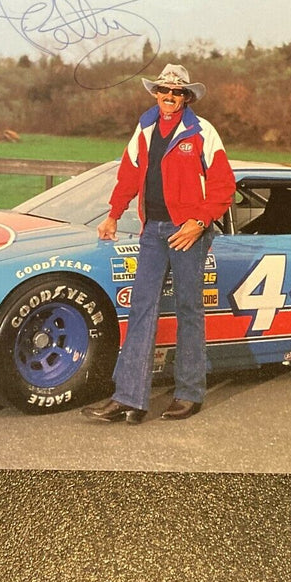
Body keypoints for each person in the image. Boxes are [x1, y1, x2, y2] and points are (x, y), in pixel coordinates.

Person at [82, 64, 235, 424]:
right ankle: (129, 398)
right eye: (164, 91)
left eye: (177, 92)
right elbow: (129, 173)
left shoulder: (202, 131)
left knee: (188, 310)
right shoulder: (145, 126)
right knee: (141, 310)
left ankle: (189, 393)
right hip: (152, 231)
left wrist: (199, 223)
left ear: (187, 97)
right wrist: (114, 214)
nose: (169, 97)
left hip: (188, 231)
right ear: (155, 93)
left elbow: (223, 186)